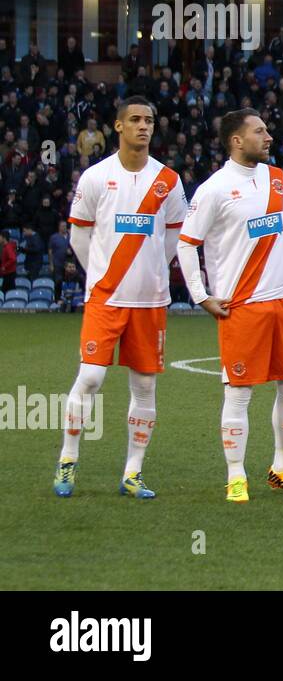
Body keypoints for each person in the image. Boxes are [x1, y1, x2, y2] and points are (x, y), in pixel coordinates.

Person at [177, 109, 283, 504]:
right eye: (259, 131)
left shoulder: (278, 179)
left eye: (267, 130)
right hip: (241, 306)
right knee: (239, 392)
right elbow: (187, 244)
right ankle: (236, 475)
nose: (268, 136)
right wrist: (201, 295)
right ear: (237, 140)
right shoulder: (214, 189)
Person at [53, 96, 188, 500]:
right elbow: (79, 235)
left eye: (149, 120)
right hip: (106, 297)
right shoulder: (96, 177)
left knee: (144, 386)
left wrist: (150, 271)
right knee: (91, 377)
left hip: (150, 302)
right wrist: (104, 272)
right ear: (118, 127)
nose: (143, 126)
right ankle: (68, 458)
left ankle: (132, 473)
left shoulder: (169, 180)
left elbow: (174, 236)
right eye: (135, 120)